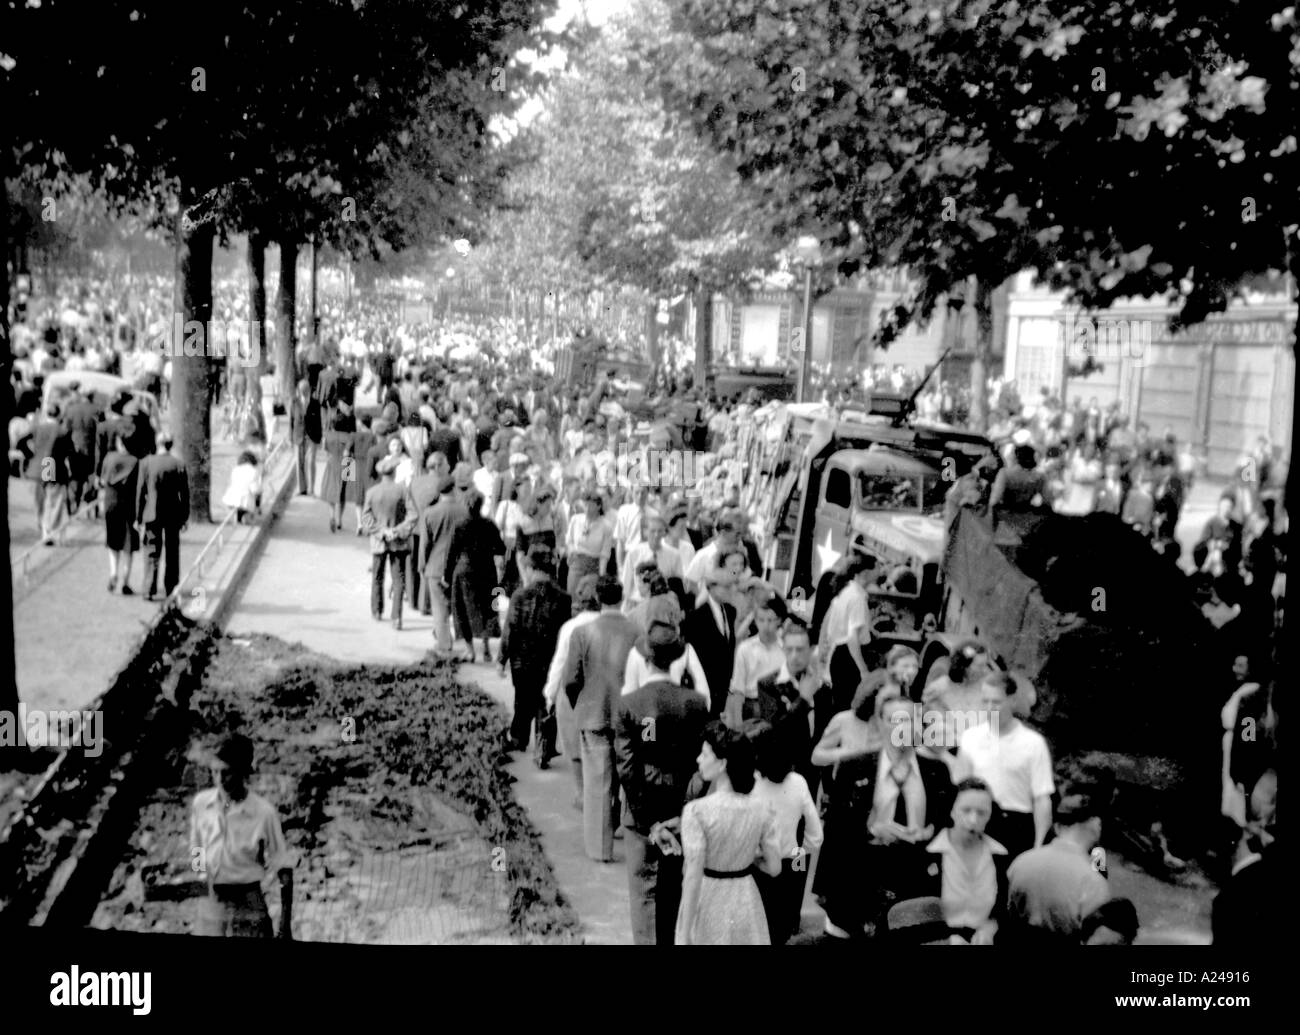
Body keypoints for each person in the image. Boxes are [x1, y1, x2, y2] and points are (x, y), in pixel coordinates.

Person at [815, 695, 954, 939]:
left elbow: (947, 823)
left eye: (910, 720)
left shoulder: (936, 771)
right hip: (866, 875)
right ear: (880, 723)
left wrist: (930, 832)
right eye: (895, 720)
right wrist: (871, 830)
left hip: (916, 877)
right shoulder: (854, 767)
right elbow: (836, 829)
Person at [613, 618, 711, 945]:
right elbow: (701, 762)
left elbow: (628, 768)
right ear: (677, 658)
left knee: (643, 893)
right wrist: (685, 810)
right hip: (682, 809)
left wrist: (647, 820)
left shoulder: (629, 704)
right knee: (676, 890)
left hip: (642, 813)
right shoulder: (695, 703)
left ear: (645, 657)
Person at [675, 722, 783, 945]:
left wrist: (684, 934)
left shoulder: (697, 812)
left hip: (709, 898)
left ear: (723, 763)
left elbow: (693, 876)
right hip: (745, 900)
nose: (698, 759)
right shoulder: (761, 808)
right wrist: (745, 856)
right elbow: (774, 868)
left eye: (705, 754)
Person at [562, 576, 639, 863]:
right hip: (627, 717)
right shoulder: (636, 632)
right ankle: (625, 832)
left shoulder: (581, 633)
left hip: (593, 714)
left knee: (597, 783)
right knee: (627, 778)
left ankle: (600, 848)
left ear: (597, 597)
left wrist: (579, 705)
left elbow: (571, 679)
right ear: (622, 597)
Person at [189, 733, 294, 938]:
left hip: (249, 907)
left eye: (227, 773)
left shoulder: (264, 813)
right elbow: (197, 847)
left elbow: (284, 869)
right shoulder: (201, 804)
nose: (220, 780)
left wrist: (285, 924)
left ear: (243, 772)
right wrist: (200, 877)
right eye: (215, 771)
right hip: (211, 906)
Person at [956, 672, 1054, 859]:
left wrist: (1039, 845)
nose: (990, 708)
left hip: (1018, 830)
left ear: (1012, 701)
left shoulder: (1033, 743)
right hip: (979, 824)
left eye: (996, 702)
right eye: (985, 702)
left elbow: (1042, 799)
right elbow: (961, 790)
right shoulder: (970, 737)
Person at [1004, 791, 1111, 944]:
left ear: (1057, 826)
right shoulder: (1093, 882)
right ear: (1095, 824)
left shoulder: (1020, 862)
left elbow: (1006, 914)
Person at [750, 723, 823, 945]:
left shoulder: (752, 786)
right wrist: (800, 851)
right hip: (793, 861)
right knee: (787, 927)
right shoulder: (799, 783)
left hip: (760, 865)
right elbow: (815, 834)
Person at [499, 544, 571, 766]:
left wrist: (502, 659)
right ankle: (544, 745)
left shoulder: (520, 596)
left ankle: (518, 738)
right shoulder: (563, 598)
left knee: (523, 701)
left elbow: (509, 630)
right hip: (549, 660)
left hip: (522, 661)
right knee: (546, 703)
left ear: (531, 568)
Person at [921, 777, 1009, 944]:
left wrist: (990, 928)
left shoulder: (1000, 857)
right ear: (952, 811)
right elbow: (917, 917)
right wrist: (946, 940)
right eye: (966, 810)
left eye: (981, 812)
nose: (973, 820)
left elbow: (1003, 912)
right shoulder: (928, 855)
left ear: (990, 815)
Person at [445, 489, 506, 663]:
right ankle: (486, 649)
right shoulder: (489, 524)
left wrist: (446, 575)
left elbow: (450, 553)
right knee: (486, 609)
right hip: (486, 571)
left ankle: (470, 650)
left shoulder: (459, 525)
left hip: (464, 571)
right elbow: (500, 548)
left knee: (462, 611)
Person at [359, 454, 416, 629]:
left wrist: (381, 531)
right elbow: (413, 515)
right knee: (398, 580)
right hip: (398, 541)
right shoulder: (403, 490)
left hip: (378, 541)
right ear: (394, 472)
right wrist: (397, 531)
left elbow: (366, 518)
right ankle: (396, 617)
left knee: (377, 576)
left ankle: (376, 610)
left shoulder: (372, 492)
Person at [418, 475, 470, 656]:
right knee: (456, 605)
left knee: (439, 606)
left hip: (436, 565)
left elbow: (425, 544)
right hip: (458, 565)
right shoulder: (464, 511)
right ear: (454, 489)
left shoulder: (430, 513)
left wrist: (422, 565)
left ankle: (444, 644)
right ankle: (462, 641)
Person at [818, 552, 876, 713]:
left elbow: (826, 623)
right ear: (866, 572)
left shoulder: (845, 592)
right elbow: (852, 639)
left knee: (838, 708)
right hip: (848, 660)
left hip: (837, 656)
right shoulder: (857, 598)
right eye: (877, 567)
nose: (880, 570)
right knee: (846, 709)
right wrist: (863, 670)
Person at [135, 433, 189, 602]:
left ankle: (149, 588)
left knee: (151, 550)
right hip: (173, 515)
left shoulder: (145, 463)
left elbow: (140, 492)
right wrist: (184, 517)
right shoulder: (179, 464)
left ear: (157, 444)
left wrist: (138, 517)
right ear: (170, 445)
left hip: (151, 514)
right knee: (172, 551)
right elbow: (184, 495)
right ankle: (171, 587)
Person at [683, 559, 738, 717]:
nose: (730, 590)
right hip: (704, 685)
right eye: (726, 587)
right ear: (711, 587)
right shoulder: (696, 618)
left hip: (724, 687)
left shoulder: (730, 611)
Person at [726, 598, 786, 728]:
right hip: (753, 707)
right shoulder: (745, 648)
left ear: (779, 621)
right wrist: (738, 725)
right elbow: (738, 690)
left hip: (779, 707)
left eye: (770, 620)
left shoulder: (785, 649)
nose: (765, 625)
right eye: (761, 620)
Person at [99, 432, 140, 594]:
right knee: (128, 545)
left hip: (111, 502)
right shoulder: (136, 462)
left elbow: (103, 480)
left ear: (120, 443)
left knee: (113, 542)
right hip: (129, 505)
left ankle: (113, 573)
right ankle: (126, 581)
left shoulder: (109, 457)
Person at [564, 490, 613, 598]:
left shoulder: (606, 526)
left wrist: (601, 575)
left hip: (593, 565)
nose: (587, 509)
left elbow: (605, 554)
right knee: (572, 597)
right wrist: (571, 551)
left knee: (589, 598)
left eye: (591, 506)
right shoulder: (575, 520)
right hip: (577, 563)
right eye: (585, 505)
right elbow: (569, 540)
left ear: (599, 506)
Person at [318, 404, 355, 533]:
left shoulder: (328, 436)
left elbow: (324, 450)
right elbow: (350, 451)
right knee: (343, 492)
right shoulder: (349, 437)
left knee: (331, 490)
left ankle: (332, 515)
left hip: (332, 461)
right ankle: (340, 520)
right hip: (347, 463)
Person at [221, 449, 263, 525]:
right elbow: (255, 490)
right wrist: (258, 503)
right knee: (255, 495)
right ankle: (250, 514)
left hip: (231, 497)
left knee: (239, 504)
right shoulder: (253, 471)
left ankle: (238, 518)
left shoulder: (236, 469)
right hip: (245, 499)